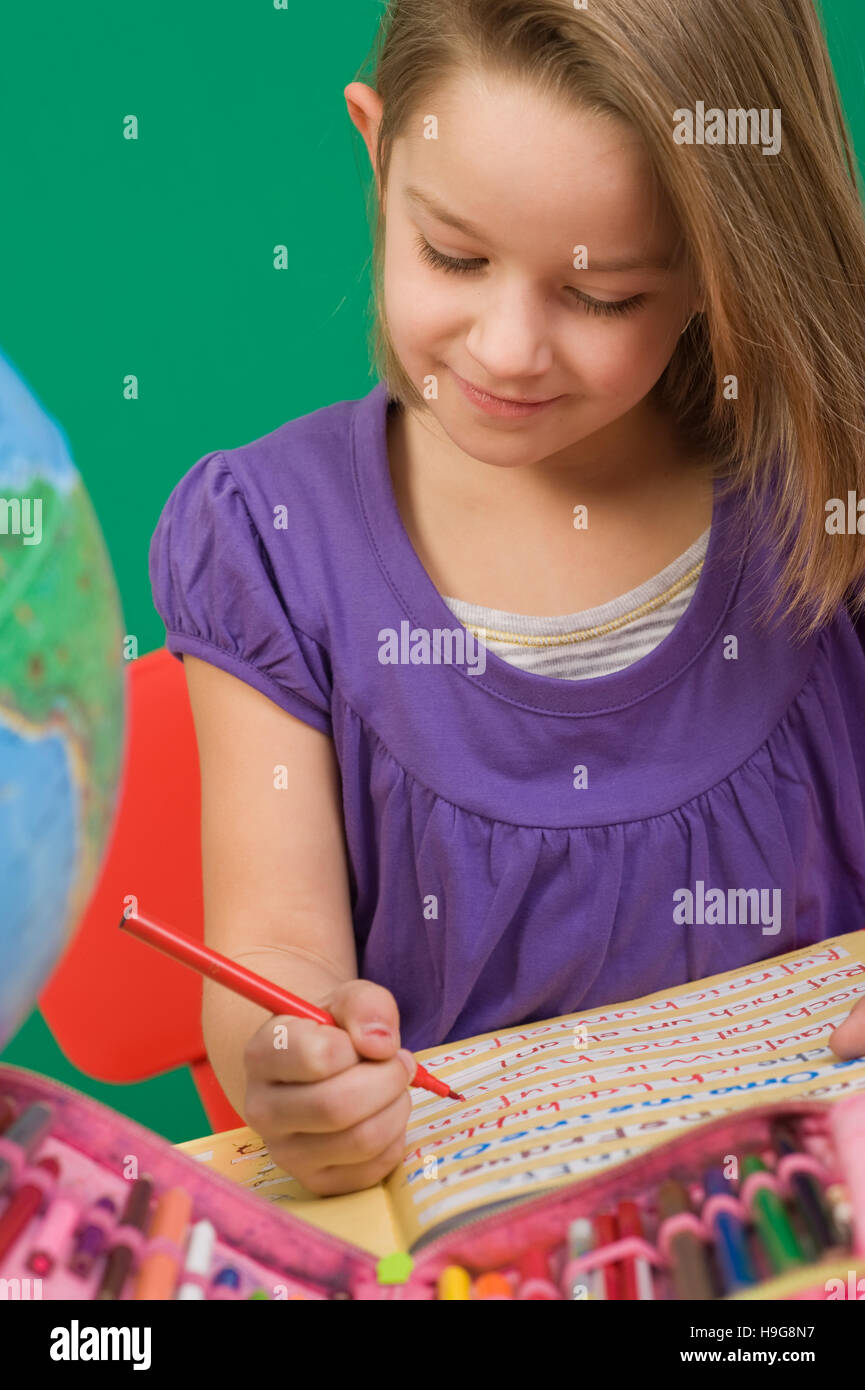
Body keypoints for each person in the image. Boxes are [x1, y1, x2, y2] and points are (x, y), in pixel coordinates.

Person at [150, 0, 865, 1195]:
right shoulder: (270, 538)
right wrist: (290, 1057)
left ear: (714, 261)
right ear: (379, 159)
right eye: (455, 256)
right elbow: (272, 953)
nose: (509, 347)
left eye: (602, 296)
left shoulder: (829, 482)